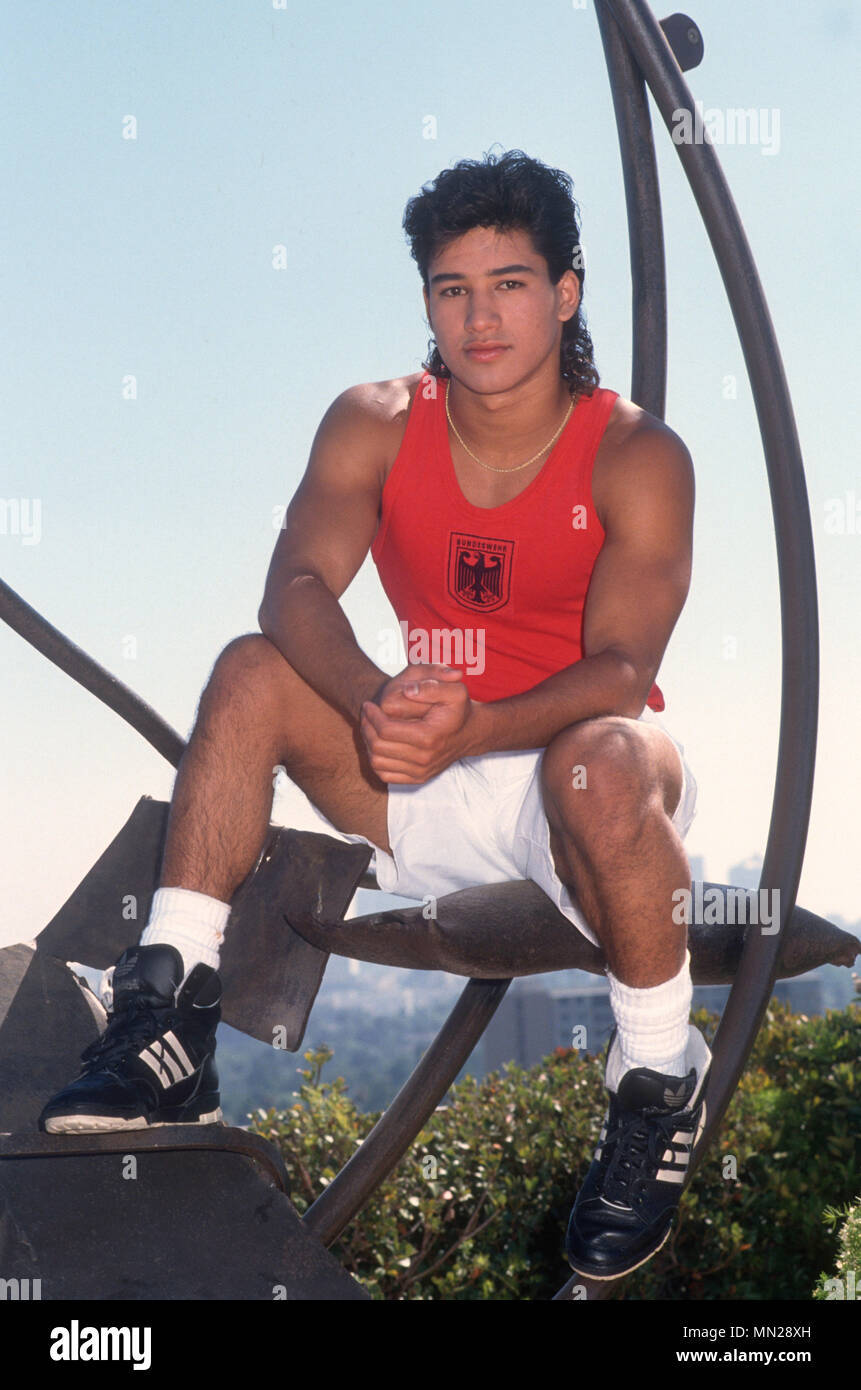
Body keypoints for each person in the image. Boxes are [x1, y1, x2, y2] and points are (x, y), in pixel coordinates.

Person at [39, 149, 709, 1281]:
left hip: (575, 784)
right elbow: (294, 587)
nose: (480, 316)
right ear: (427, 304)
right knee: (251, 666)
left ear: (567, 292)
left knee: (600, 759)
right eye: (453, 289)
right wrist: (369, 699)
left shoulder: (637, 453)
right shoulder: (378, 421)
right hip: (416, 771)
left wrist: (480, 723)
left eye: (509, 282)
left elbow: (621, 664)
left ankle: (654, 1075)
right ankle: (168, 1008)